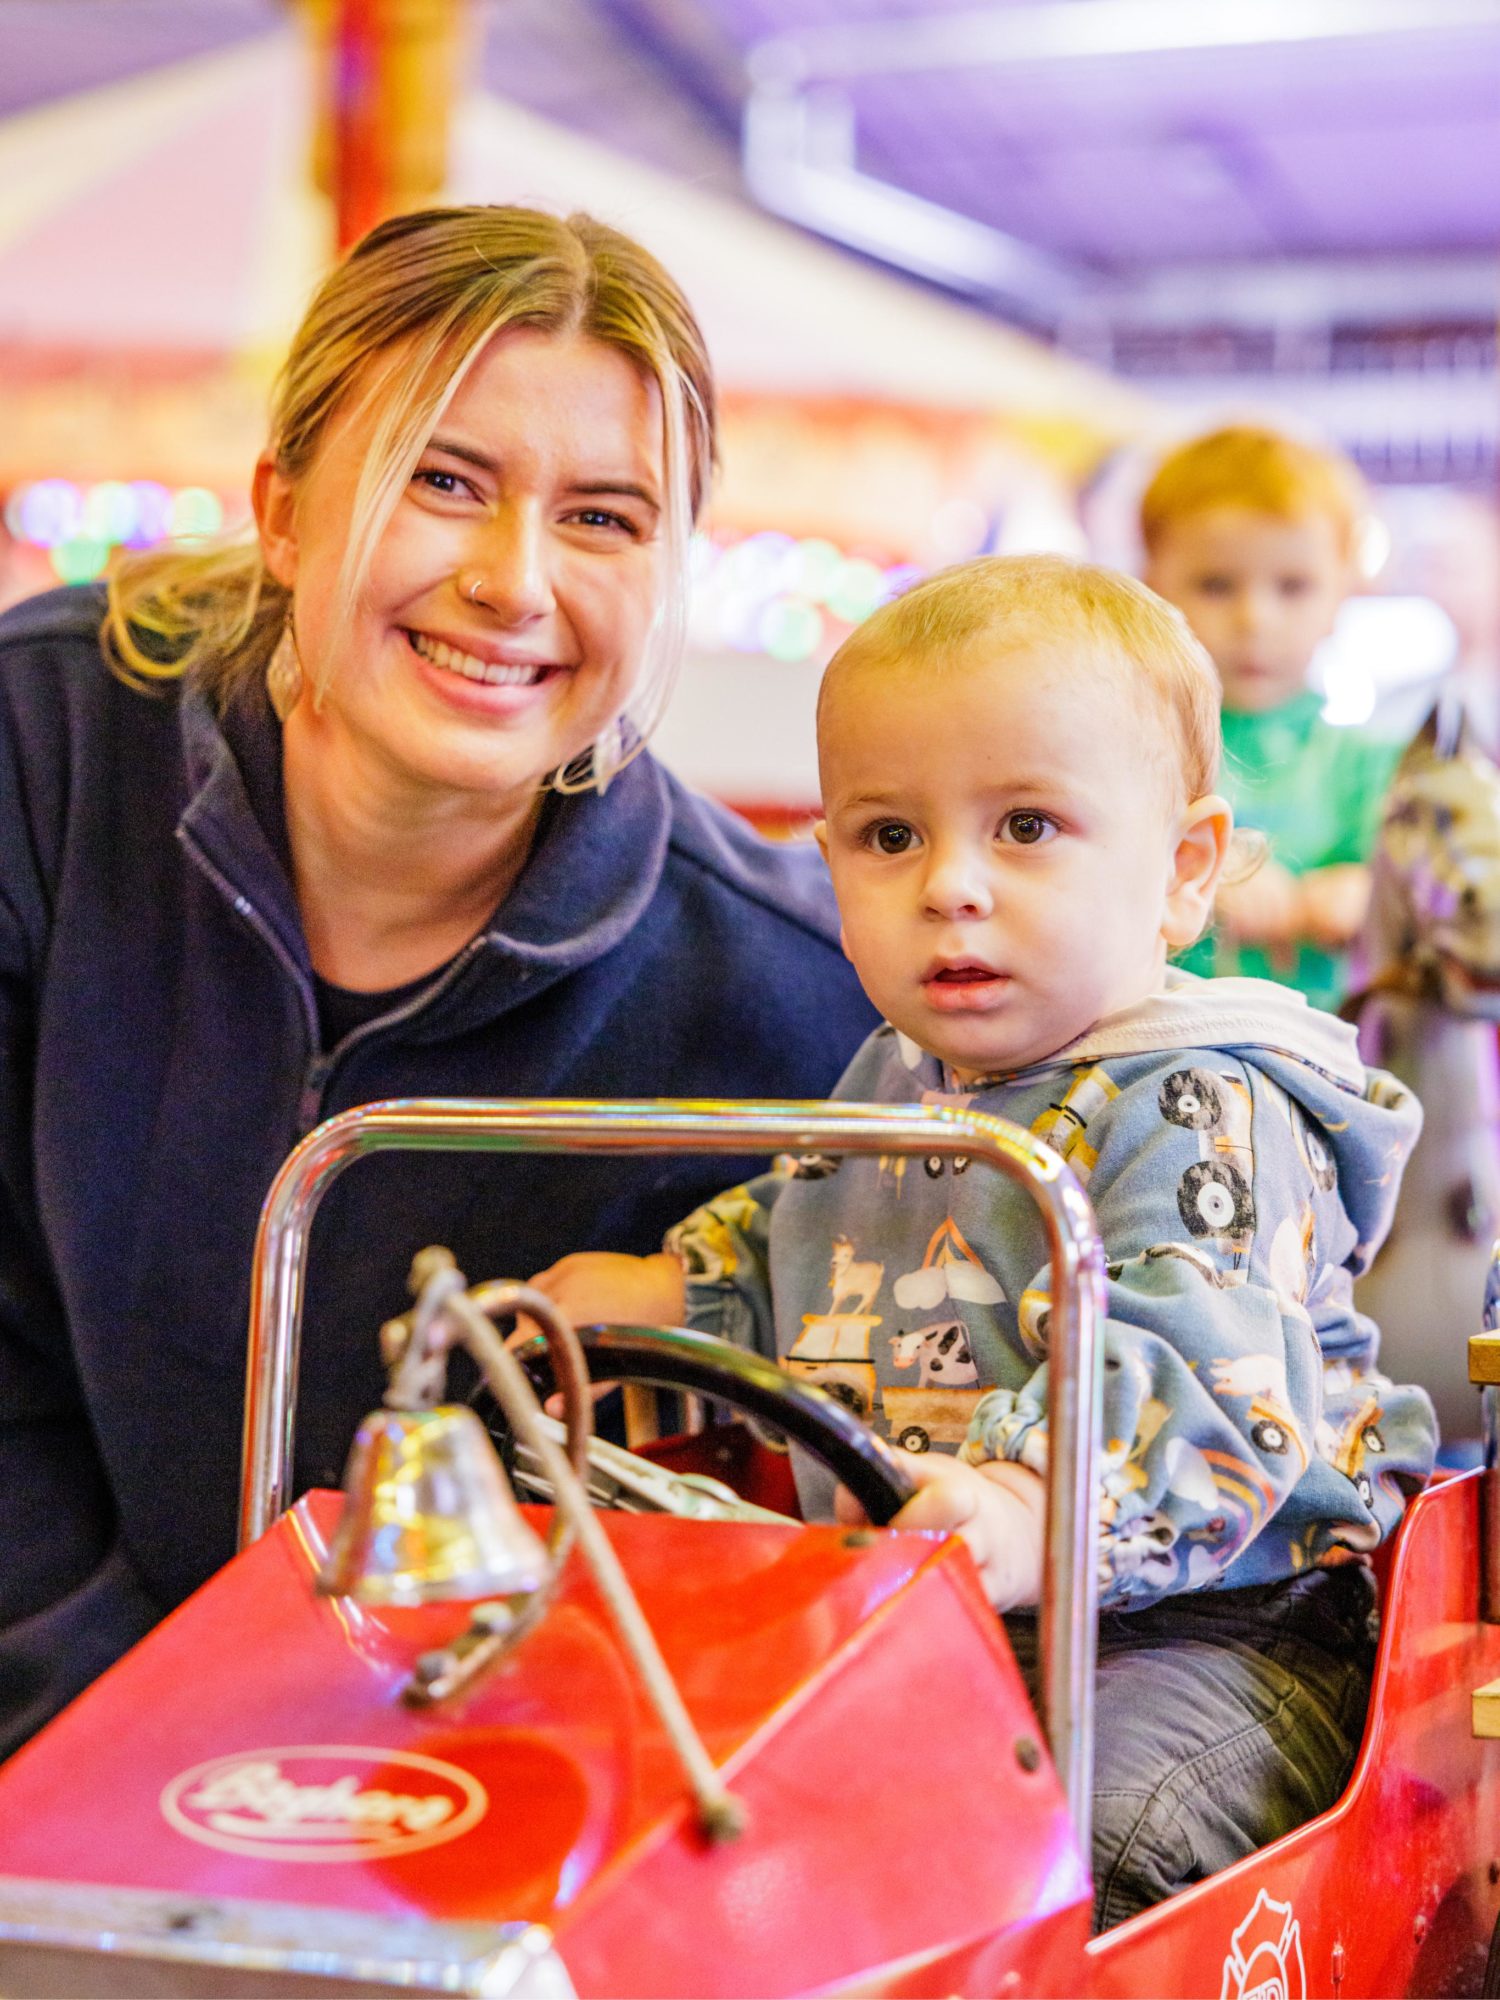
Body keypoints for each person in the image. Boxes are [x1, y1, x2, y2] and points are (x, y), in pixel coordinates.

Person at [0, 205, 878, 1756]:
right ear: (284, 512)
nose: (512, 581)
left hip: (480, 1786)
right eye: (443, 480)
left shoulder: (795, 997)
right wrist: (127, 1747)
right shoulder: (45, 748)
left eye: (603, 517)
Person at [533, 554, 1437, 1930]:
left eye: (1026, 826)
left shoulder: (1199, 1106)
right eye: (890, 835)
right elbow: (808, 1232)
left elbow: (1210, 1391)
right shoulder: (897, 1080)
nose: (950, 885)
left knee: (1085, 1846)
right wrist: (678, 1289)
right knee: (663, 1778)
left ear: (1183, 870)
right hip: (935, 1601)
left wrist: (1028, 1502)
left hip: (1210, 1623)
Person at [1142, 425, 1405, 1012]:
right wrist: (1200, 878)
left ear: (1342, 595)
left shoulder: (1368, 762)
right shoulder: (1138, 750)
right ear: (1153, 588)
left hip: (1333, 1042)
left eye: (1293, 587)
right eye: (1216, 585)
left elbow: (1424, 895)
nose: (1255, 619)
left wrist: (1361, 894)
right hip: (1165, 1039)